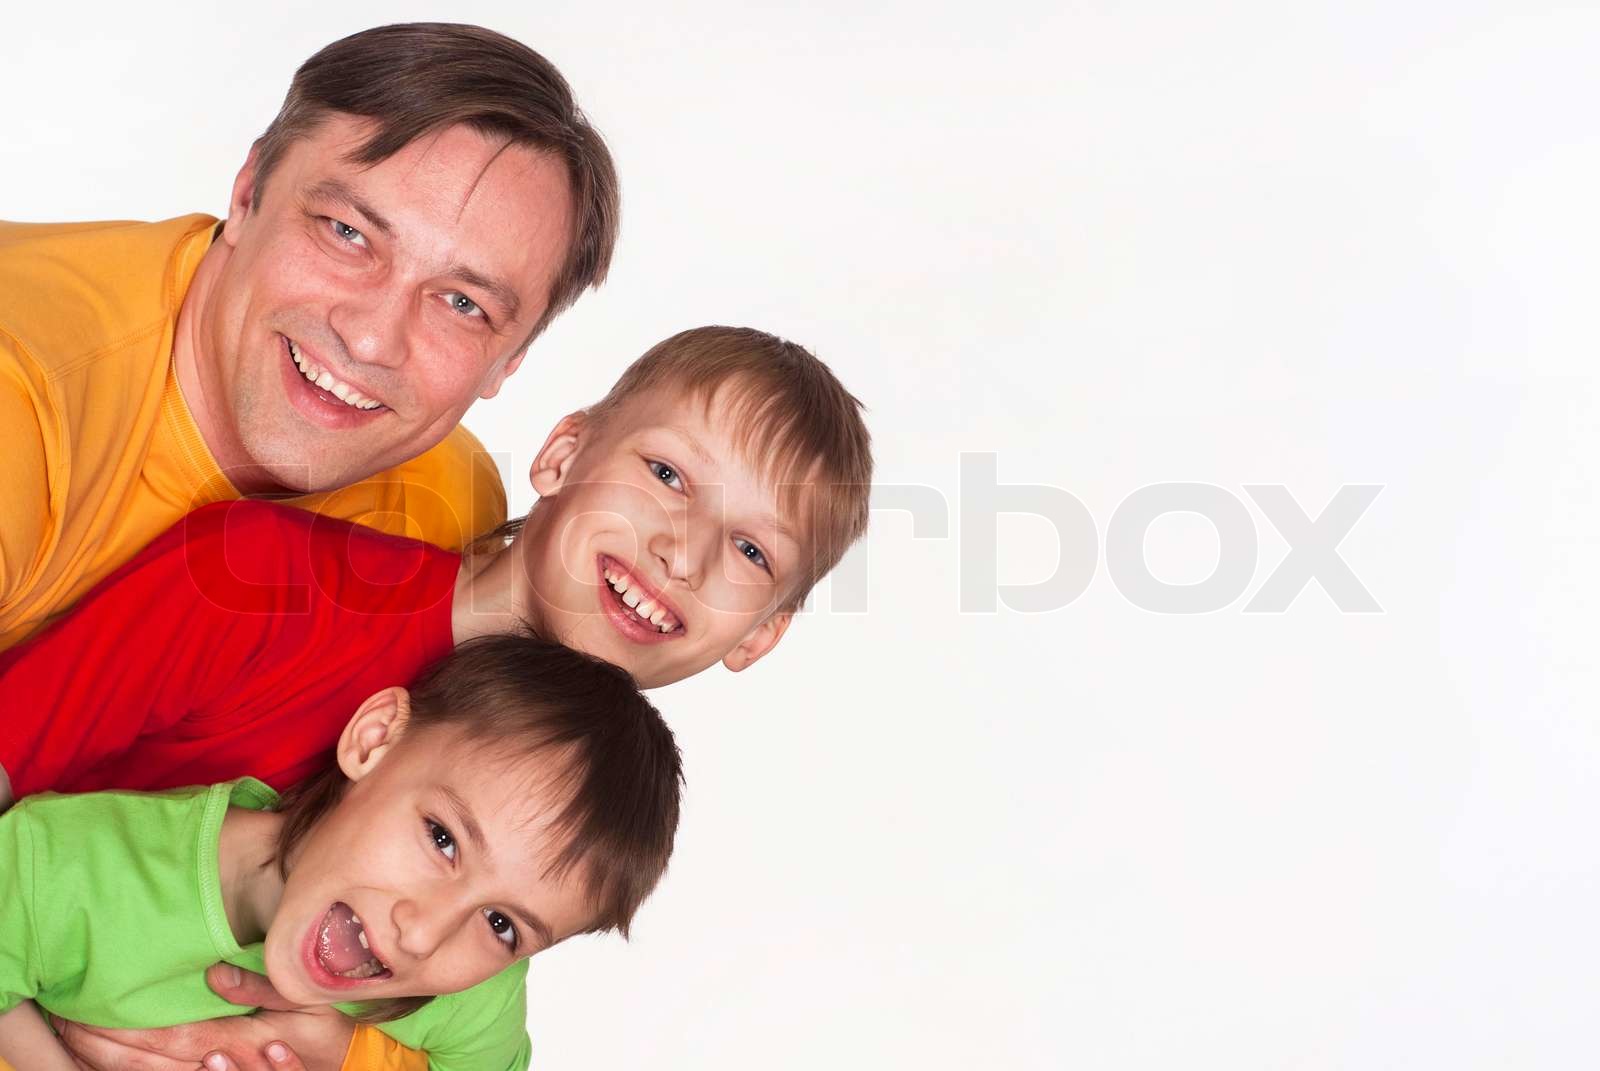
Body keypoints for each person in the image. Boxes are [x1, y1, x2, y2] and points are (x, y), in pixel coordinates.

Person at [0, 325, 873, 1069]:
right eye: (669, 476)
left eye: (753, 552)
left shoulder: (550, 843)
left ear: (760, 633)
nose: (686, 554)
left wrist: (344, 1049)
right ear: (562, 453)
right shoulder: (254, 583)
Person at [0, 22, 619, 653]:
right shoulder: (21, 391)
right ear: (247, 195)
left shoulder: (445, 511)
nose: (372, 340)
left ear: (509, 363)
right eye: (347, 233)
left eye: (462, 304)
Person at [0, 634, 682, 1071]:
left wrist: (349, 1057)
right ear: (375, 739)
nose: (422, 931)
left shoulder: (471, 995)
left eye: (503, 924)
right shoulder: (73, 863)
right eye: (443, 838)